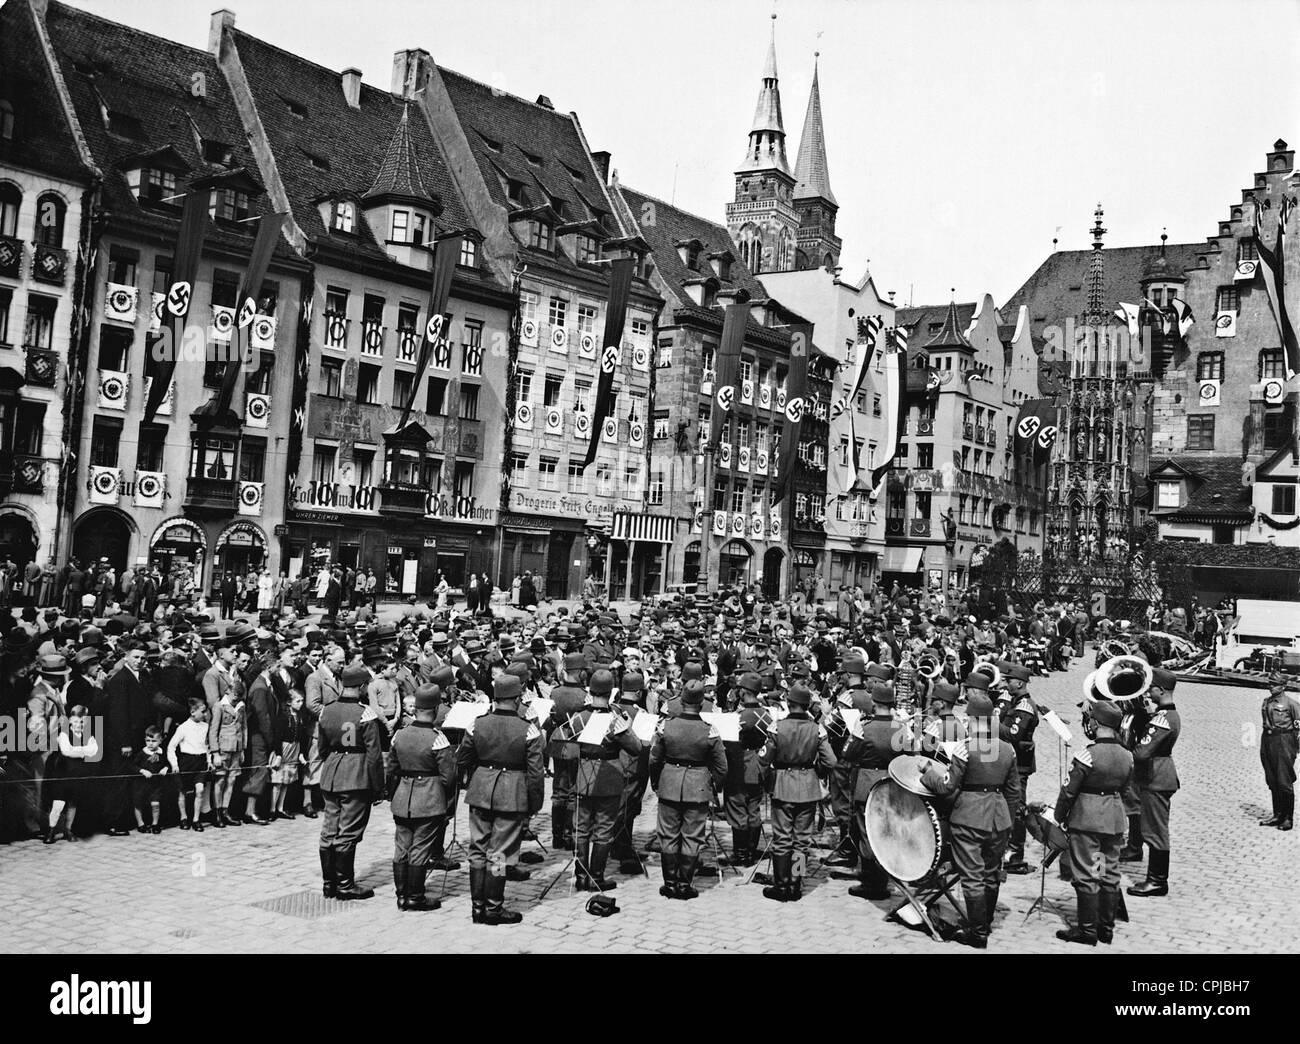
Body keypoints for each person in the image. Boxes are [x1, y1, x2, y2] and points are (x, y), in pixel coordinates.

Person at [921, 692, 1020, 949]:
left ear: (973, 719)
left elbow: (947, 786)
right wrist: (1008, 820)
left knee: (972, 875)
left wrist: (928, 773)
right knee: (991, 872)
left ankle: (977, 933)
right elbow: (1013, 792)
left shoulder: (965, 748)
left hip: (969, 816)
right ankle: (984, 921)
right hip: (998, 817)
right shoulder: (1007, 749)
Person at [455, 674, 546, 925]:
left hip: (481, 790)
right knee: (500, 852)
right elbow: (536, 773)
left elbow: (462, 759)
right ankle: (493, 908)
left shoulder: (477, 723)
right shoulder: (527, 729)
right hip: (512, 793)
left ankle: (477, 908)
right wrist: (534, 803)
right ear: (517, 699)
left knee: (478, 848)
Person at [1049, 698, 1133, 946]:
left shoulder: (1087, 755)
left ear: (1096, 723)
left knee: (1087, 873)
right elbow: (1127, 789)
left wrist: (1059, 816)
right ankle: (1105, 928)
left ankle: (1087, 930)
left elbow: (1069, 791)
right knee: (1107, 871)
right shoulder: (1127, 755)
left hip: (1087, 819)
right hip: (1113, 819)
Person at [648, 680, 728, 901]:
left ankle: (669, 883)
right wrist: (712, 786)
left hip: (669, 783)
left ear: (682, 701)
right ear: (701, 703)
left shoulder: (666, 726)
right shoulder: (709, 730)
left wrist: (656, 782)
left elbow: (654, 759)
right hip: (698, 786)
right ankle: (684, 884)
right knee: (692, 837)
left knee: (668, 835)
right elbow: (722, 767)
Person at [757, 681, 836, 901]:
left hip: (783, 784)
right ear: (808, 705)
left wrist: (768, 781)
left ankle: (781, 885)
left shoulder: (777, 727)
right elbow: (830, 760)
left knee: (782, 838)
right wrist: (816, 772)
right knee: (802, 840)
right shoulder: (817, 729)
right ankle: (795, 884)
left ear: (789, 703)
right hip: (808, 786)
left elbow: (763, 760)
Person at [318, 663, 386, 901]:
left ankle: (330, 883)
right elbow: (374, 755)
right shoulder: (365, 713)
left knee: (329, 829)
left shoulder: (327, 710)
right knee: (348, 831)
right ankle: (345, 885)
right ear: (362, 686)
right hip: (356, 775)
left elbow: (322, 748)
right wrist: (378, 787)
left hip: (331, 772)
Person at [386, 683, 457, 911]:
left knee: (402, 847)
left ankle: (401, 895)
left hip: (402, 797)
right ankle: (415, 896)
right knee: (420, 847)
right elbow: (449, 777)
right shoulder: (437, 738)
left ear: (415, 708)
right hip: (428, 799)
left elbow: (391, 771)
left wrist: (395, 794)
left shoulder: (400, 735)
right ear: (435, 709)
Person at [571, 668, 642, 891]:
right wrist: (626, 730)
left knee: (581, 828)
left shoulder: (580, 716)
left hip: (584, 776)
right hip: (610, 776)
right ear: (611, 692)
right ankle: (596, 877)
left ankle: (581, 876)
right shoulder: (616, 718)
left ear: (590, 691)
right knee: (603, 829)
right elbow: (636, 748)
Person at [839, 680, 909, 900]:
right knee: (886, 833)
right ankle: (883, 877)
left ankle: (872, 884)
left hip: (867, 783)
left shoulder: (865, 727)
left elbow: (847, 754)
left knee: (868, 834)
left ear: (875, 702)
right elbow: (910, 756)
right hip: (892, 783)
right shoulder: (901, 728)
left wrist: (855, 733)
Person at [1127, 668, 1180, 898]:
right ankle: (1155, 879)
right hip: (1156, 775)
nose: (1148, 692)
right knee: (1153, 828)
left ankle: (1157, 881)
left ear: (1161, 690)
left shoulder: (1162, 719)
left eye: (1151, 689)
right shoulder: (1165, 716)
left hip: (1156, 778)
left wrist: (1128, 748)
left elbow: (1142, 752)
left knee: (1156, 830)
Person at [42, 705, 98, 844]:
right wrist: (84, 751)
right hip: (62, 774)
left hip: (77, 773)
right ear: (70, 722)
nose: (78, 725)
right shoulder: (64, 734)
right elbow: (66, 751)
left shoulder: (88, 735)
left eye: (81, 721)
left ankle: (68, 830)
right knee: (58, 804)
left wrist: (77, 750)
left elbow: (94, 750)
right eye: (75, 722)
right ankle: (51, 830)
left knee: (73, 804)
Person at [1259, 671, 1300, 829]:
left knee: (1284, 781)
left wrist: (1294, 749)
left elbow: (1299, 728)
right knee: (1272, 779)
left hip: (1284, 741)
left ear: (1283, 686)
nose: (1271, 686)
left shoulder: (1291, 704)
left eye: (1275, 684)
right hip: (1267, 740)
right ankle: (1277, 815)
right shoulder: (1267, 701)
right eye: (1269, 683)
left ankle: (1288, 818)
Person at [168, 698, 210, 831]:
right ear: (193, 712)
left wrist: (209, 761)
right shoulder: (183, 728)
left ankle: (196, 819)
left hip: (201, 761)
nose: (205, 714)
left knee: (200, 790)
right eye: (203, 711)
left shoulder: (205, 726)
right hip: (187, 762)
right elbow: (171, 746)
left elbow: (207, 746)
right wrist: (174, 764)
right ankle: (184, 818)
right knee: (183, 792)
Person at [131, 726, 170, 833]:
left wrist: (166, 768)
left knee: (155, 804)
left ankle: (155, 824)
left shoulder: (162, 753)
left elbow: (167, 763)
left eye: (154, 741)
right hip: (141, 784)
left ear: (160, 741)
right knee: (138, 803)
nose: (150, 743)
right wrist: (142, 770)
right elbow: (133, 766)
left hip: (155, 784)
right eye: (148, 741)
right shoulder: (142, 753)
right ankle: (141, 824)